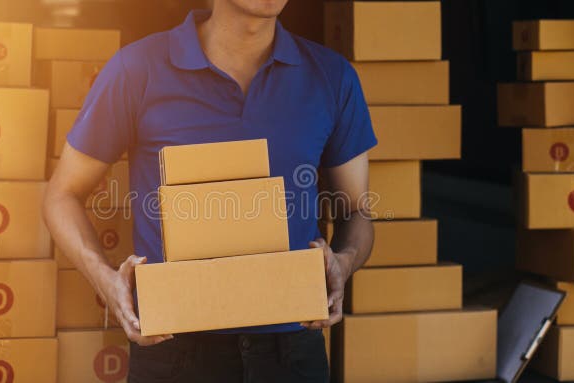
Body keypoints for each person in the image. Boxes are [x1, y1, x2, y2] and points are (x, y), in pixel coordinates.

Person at [43, 1, 376, 382]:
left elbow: (356, 212)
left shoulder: (331, 77)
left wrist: (344, 262)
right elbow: (61, 196)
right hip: (174, 347)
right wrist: (107, 282)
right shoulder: (137, 70)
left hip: (292, 345)